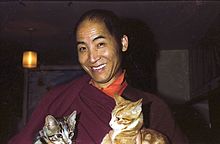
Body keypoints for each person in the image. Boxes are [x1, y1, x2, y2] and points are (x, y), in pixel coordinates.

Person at [8, 9, 188, 144]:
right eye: (82, 48)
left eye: (100, 44)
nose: (92, 58)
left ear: (122, 43)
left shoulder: (152, 107)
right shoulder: (59, 97)